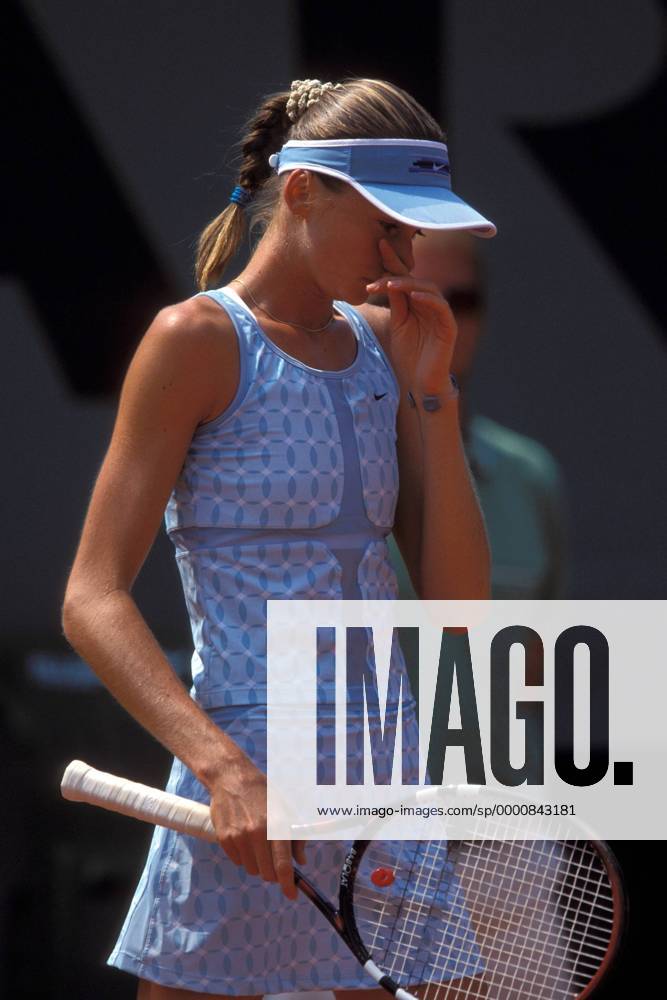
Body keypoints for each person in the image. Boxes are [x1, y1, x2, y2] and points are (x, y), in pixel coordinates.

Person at [61, 78, 496, 1000]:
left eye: (414, 234)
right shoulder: (194, 340)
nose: (403, 256)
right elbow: (91, 599)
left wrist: (435, 397)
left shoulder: (388, 342)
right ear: (300, 193)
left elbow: (460, 608)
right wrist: (225, 770)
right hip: (249, 784)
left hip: (385, 778)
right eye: (385, 227)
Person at [378, 230, 569, 602]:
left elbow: (543, 636)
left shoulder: (530, 479)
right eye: (410, 298)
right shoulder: (326, 472)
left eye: (461, 301)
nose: (440, 318)